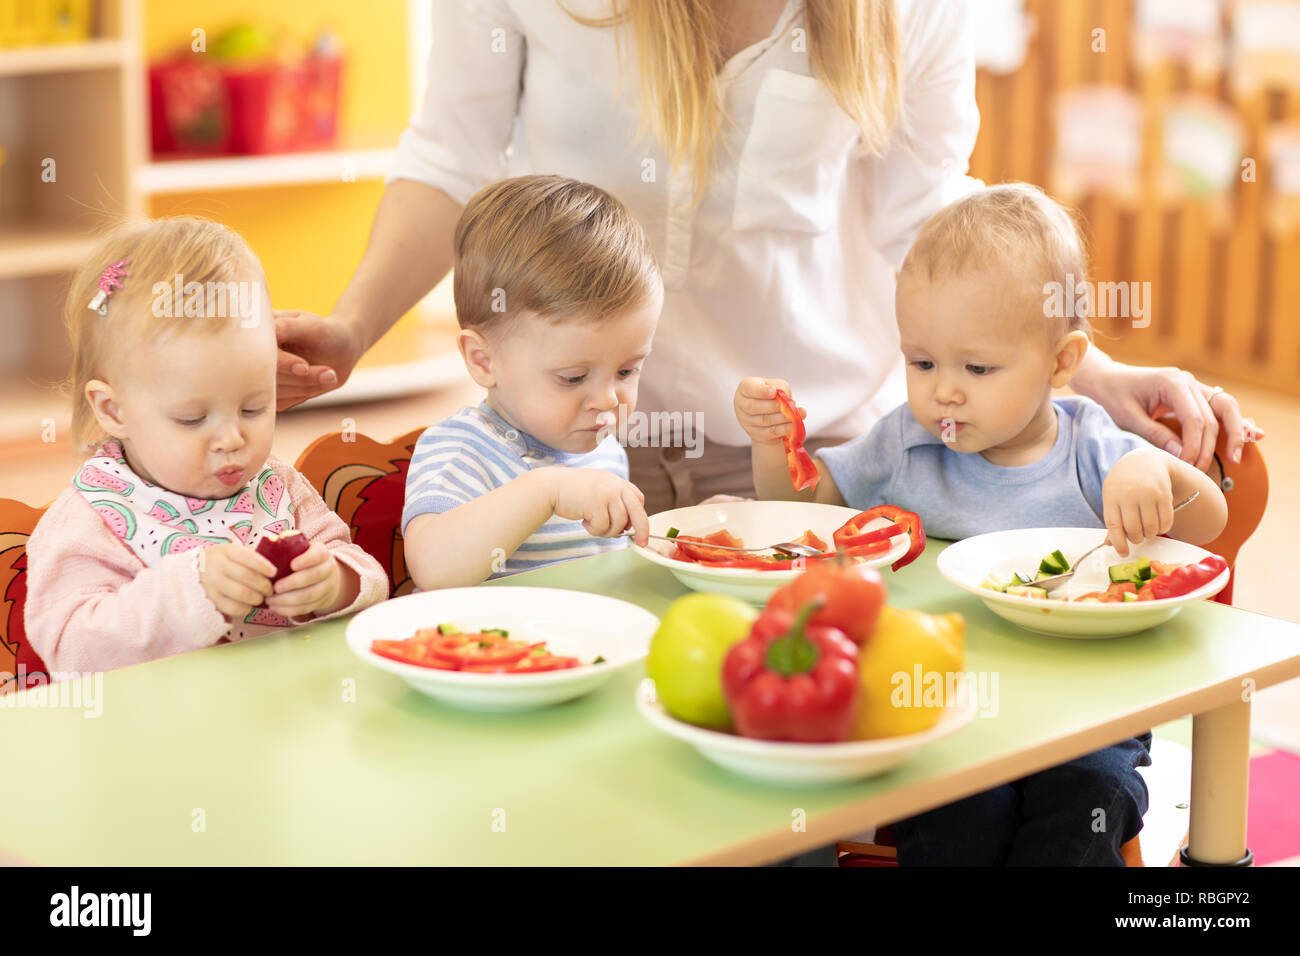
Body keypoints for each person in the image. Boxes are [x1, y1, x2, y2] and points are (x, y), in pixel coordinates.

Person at [274, 0, 1259, 509]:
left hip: (809, 452)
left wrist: (1084, 369)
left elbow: (927, 218)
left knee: (787, 771)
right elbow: (451, 155)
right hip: (565, 433)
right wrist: (354, 327)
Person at [735, 183, 1229, 865]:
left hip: (1085, 717)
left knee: (1080, 808)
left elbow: (1209, 523)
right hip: (949, 710)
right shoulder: (907, 440)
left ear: (1061, 362)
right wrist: (774, 448)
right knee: (953, 811)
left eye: (977, 367)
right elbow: (809, 505)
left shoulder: (1092, 446)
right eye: (922, 362)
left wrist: (1160, 476)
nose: (944, 389)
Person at [25, 218, 389, 674]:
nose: (232, 440)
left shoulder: (276, 486)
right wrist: (188, 592)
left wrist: (335, 582)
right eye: (193, 418)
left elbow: (365, 573)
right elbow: (71, 651)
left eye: (254, 407)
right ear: (113, 410)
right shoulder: (91, 519)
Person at [402, 176, 661, 589]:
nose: (609, 399)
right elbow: (433, 570)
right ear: (483, 360)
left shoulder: (604, 452)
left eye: (627, 371)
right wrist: (546, 490)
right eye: (573, 377)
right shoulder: (462, 448)